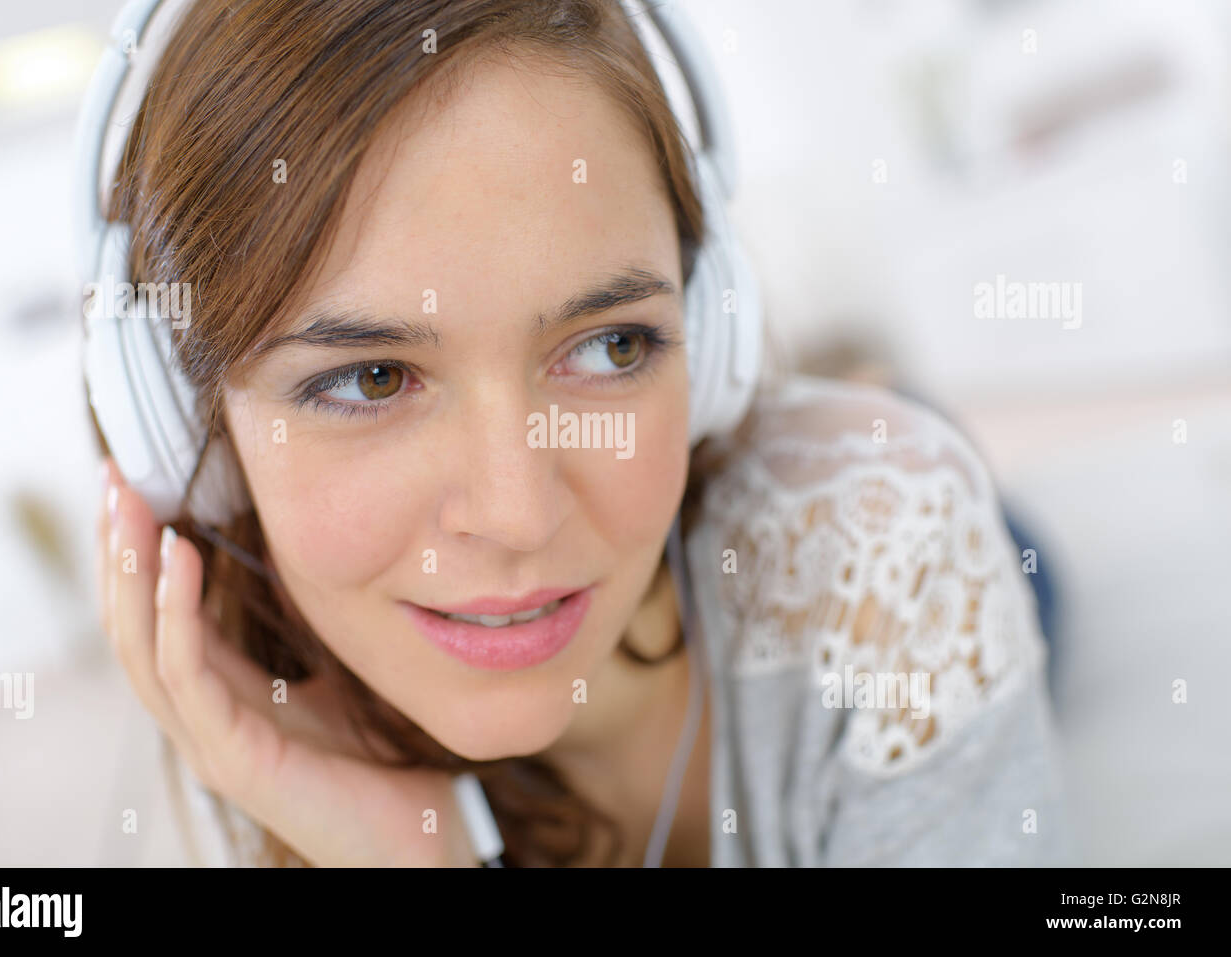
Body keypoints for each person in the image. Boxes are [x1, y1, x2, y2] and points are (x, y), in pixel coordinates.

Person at [92, 0, 1071, 867]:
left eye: (609, 347)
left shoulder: (884, 544)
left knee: (991, 526)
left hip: (823, 527)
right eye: (371, 378)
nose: (516, 515)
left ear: (708, 326)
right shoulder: (249, 735)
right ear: (186, 428)